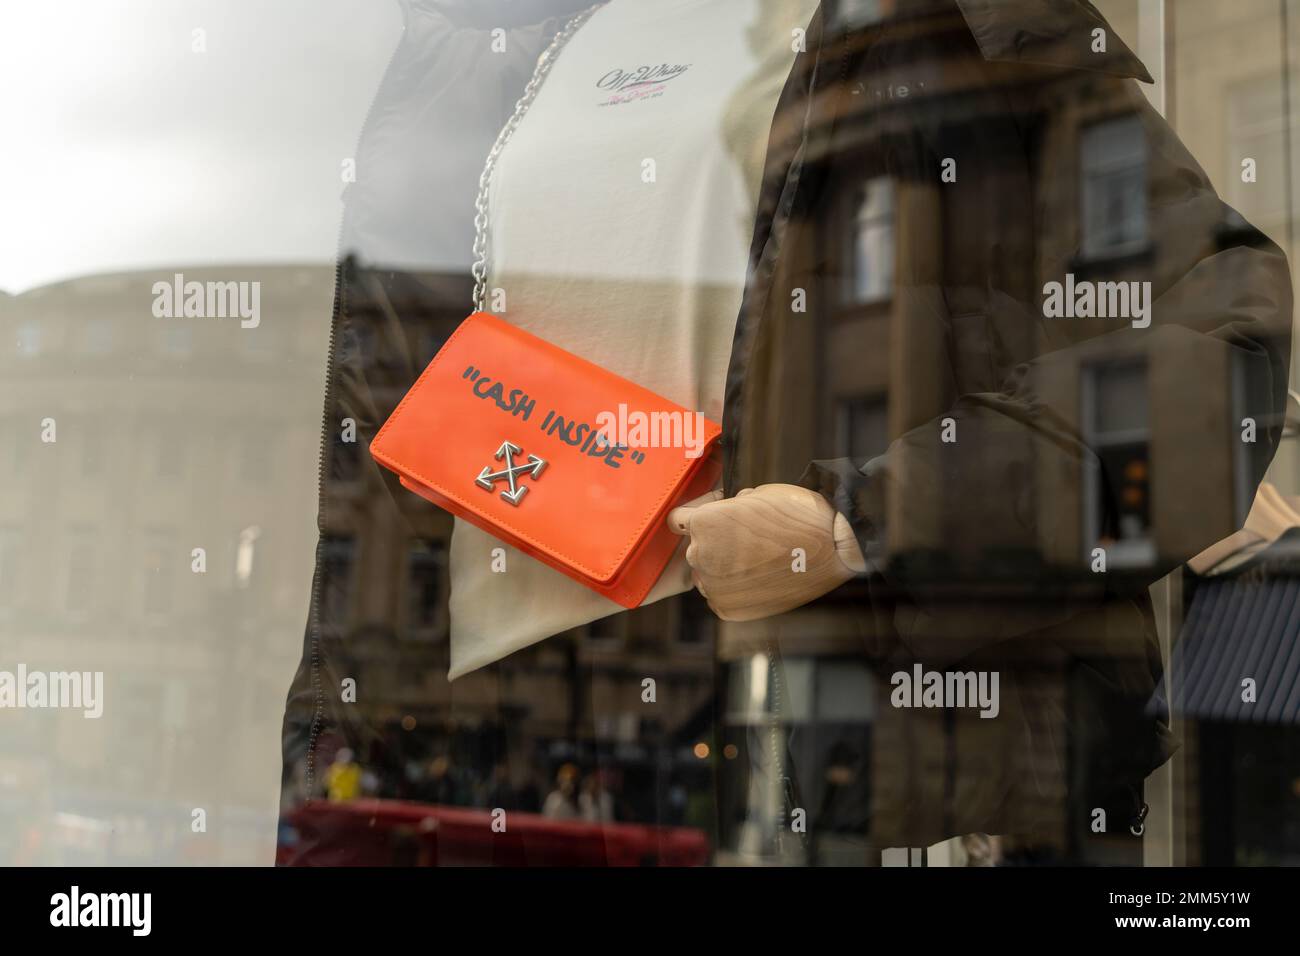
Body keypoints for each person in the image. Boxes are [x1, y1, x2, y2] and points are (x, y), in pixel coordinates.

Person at [279, 0, 1293, 864]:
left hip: (801, 749)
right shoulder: (478, 40)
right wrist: (330, 737)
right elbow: (378, 402)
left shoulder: (950, 24)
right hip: (471, 734)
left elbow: (1216, 342)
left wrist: (852, 521)